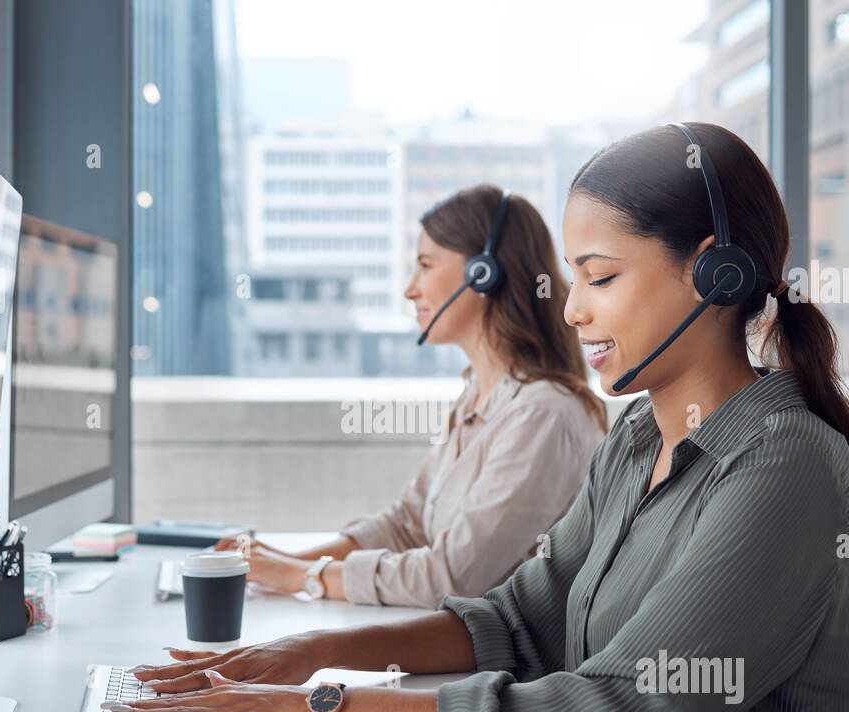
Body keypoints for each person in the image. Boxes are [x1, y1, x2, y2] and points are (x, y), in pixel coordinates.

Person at [113, 124, 849, 712]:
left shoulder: (784, 467)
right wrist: (311, 653)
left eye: (600, 278)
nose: (571, 312)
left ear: (712, 275)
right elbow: (521, 619)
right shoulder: (637, 442)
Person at [216, 185, 606, 609]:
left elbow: (450, 577)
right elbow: (408, 523)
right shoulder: (479, 394)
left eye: (424, 266)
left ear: (482, 273)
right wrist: (277, 563)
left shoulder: (543, 415)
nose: (409, 289)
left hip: (501, 667)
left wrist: (301, 577)